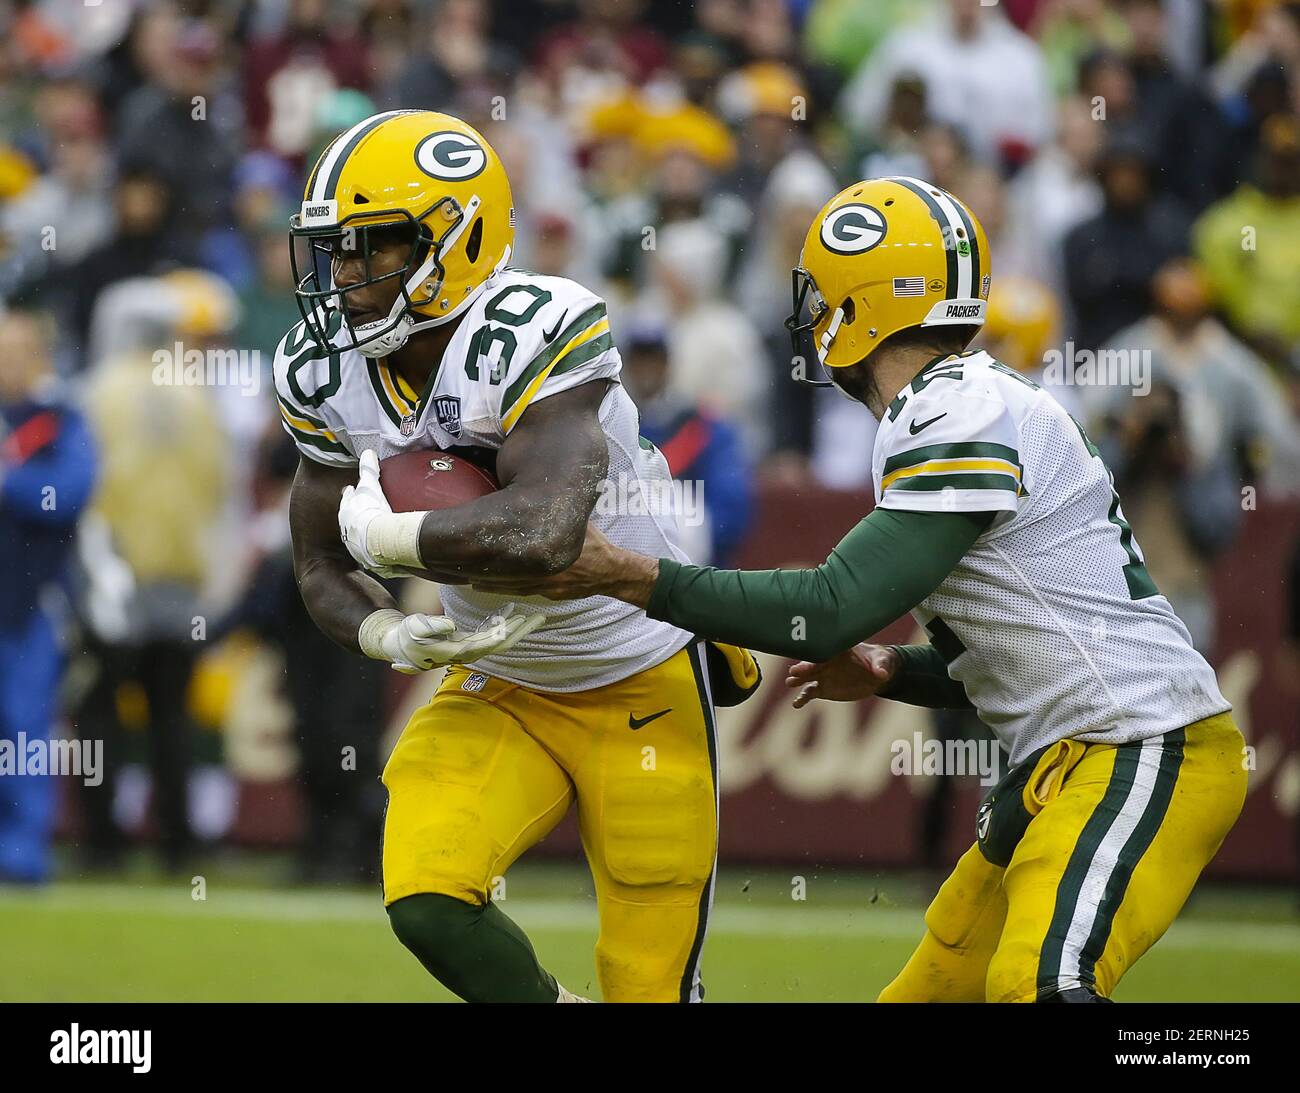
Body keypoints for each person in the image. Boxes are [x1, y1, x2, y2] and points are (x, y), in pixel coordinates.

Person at [486, 177, 1249, 1003]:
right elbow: (1026, 636)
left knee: (1040, 985)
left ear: (862, 304)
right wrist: (894, 668)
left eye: (823, 296)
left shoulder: (959, 408)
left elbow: (826, 607)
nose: (813, 319)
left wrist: (631, 575)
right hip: (1063, 761)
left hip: (1141, 745)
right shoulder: (959, 401)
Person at [275, 110, 758, 1002]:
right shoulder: (324, 368)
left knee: (646, 984)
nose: (343, 275)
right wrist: (387, 633)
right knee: (426, 898)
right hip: (502, 676)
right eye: (333, 249)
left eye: (370, 247)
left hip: (638, 674)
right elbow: (315, 561)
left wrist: (399, 541)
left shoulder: (537, 326)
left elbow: (546, 532)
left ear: (453, 243)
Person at [0, 309, 97, 883]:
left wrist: (9, 480)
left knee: (25, 729)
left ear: (39, 356)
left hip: (32, 605)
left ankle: (24, 851)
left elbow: (65, 495)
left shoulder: (60, 422)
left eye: (18, 350)